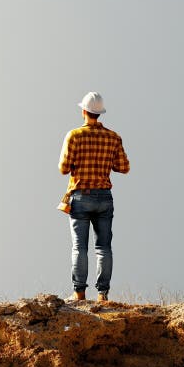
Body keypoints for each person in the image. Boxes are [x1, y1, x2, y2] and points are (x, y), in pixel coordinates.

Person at [58, 92, 130, 302]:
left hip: (81, 196)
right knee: (104, 247)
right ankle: (102, 294)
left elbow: (63, 168)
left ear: (83, 111)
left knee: (79, 247)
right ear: (100, 114)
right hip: (104, 198)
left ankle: (79, 292)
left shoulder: (73, 136)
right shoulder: (113, 137)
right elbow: (124, 167)